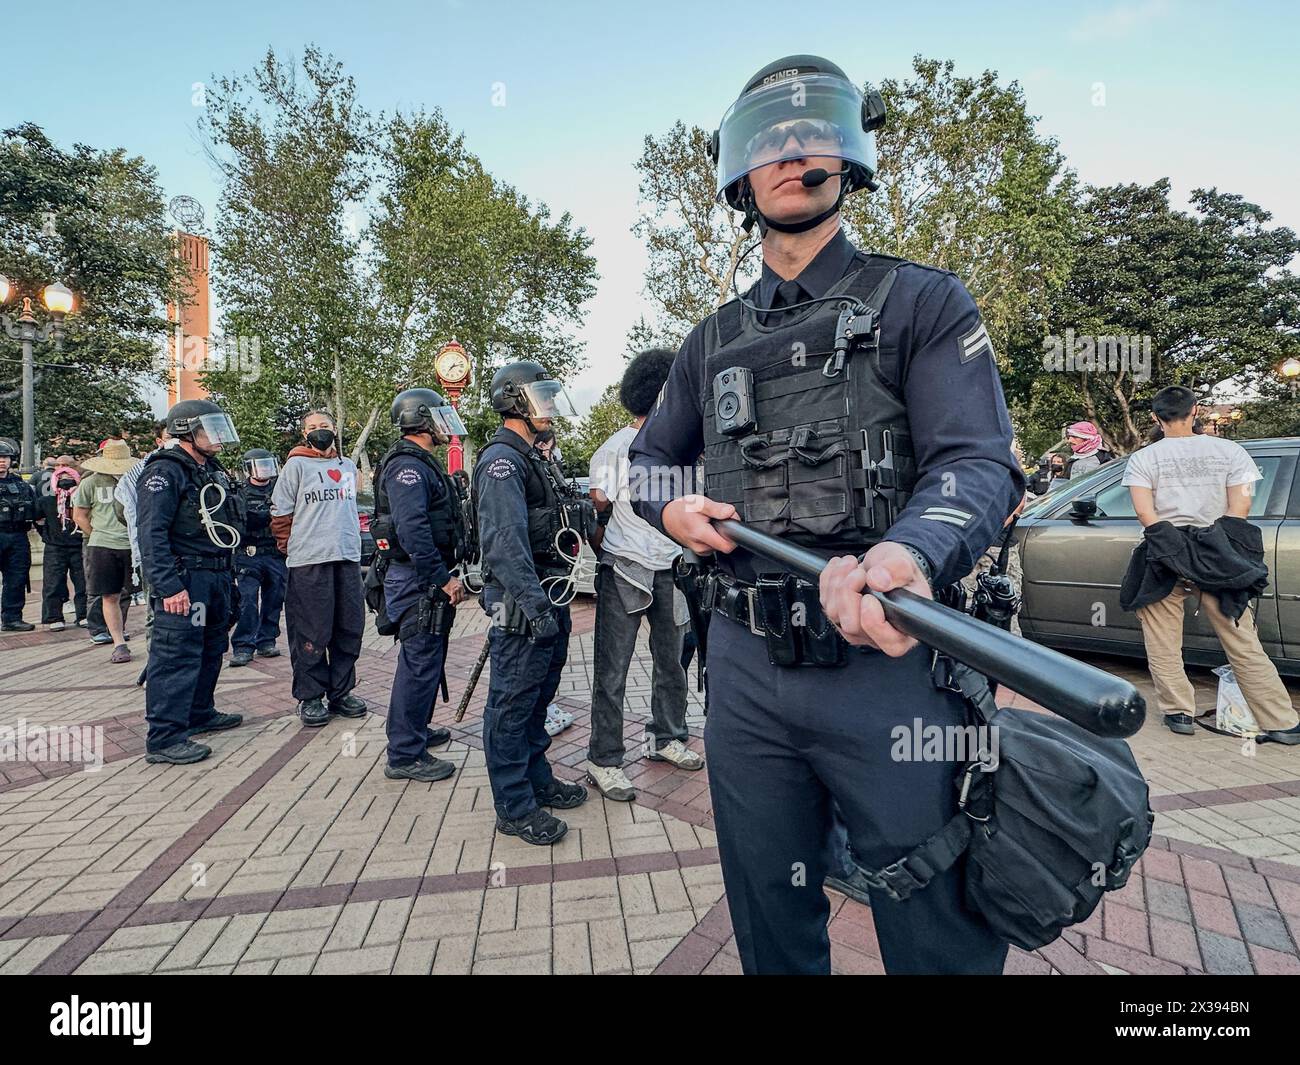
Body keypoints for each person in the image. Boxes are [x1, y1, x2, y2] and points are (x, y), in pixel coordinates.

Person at [628, 55, 1024, 975]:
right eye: (768, 141)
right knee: (769, 919)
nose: (791, 155)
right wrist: (671, 509)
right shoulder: (709, 340)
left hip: (890, 664)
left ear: (846, 157)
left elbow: (977, 459)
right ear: (740, 171)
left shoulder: (922, 301)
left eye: (811, 137)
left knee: (939, 929)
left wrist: (911, 551)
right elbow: (645, 463)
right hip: (742, 670)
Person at [1122, 385, 1300, 744]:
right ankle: (1280, 720)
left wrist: (1175, 548)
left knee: (1163, 639)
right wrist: (1214, 545)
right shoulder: (1230, 451)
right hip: (1217, 552)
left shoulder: (1144, 459)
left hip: (1165, 553)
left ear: (1155, 418)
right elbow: (1242, 508)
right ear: (1196, 411)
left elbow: (1146, 514)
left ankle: (1179, 713)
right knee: (1240, 637)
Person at [474, 361, 590, 846]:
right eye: (537, 398)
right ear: (513, 402)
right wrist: (536, 606)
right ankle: (515, 806)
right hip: (523, 603)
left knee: (539, 699)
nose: (548, 409)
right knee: (512, 704)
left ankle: (538, 780)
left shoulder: (533, 456)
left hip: (547, 595)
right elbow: (504, 543)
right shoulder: (502, 460)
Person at [585, 349, 703, 802]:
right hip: (625, 568)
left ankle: (666, 738)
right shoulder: (616, 446)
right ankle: (604, 758)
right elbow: (598, 498)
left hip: (670, 568)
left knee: (671, 661)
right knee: (612, 669)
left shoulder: (682, 446)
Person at [136, 399, 246, 764]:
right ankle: (165, 737)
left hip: (215, 572)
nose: (216, 437)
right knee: (176, 654)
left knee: (212, 647)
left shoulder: (211, 469)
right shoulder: (165, 471)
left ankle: (200, 712)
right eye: (208, 429)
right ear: (187, 431)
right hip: (186, 576)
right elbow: (151, 535)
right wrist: (169, 586)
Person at [374, 388, 469, 781]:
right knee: (419, 662)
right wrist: (442, 579)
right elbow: (413, 532)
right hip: (416, 580)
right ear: (422, 420)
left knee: (427, 661)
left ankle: (416, 731)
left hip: (422, 578)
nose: (445, 424)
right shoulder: (407, 467)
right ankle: (404, 754)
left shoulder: (419, 462)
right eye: (439, 417)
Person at [271, 410, 367, 727]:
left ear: (334, 429)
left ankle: (341, 693)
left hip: (346, 556)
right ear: (304, 434)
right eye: (312, 427)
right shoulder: (296, 466)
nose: (319, 431)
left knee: (348, 626)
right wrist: (290, 546)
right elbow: (281, 514)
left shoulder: (348, 467)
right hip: (309, 561)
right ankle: (310, 697)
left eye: (324, 425)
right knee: (312, 631)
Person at [73, 439, 137, 662]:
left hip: (133, 544)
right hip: (102, 545)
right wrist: (96, 533)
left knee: (134, 594)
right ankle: (118, 642)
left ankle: (127, 632)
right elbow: (79, 514)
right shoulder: (90, 482)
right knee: (108, 594)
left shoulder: (135, 480)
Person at [531, 428, 577, 737]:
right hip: (535, 582)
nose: (551, 453)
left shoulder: (549, 470)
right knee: (529, 666)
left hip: (557, 577)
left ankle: (543, 710)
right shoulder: (513, 463)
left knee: (554, 657)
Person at [229, 448, 288, 666]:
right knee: (248, 601)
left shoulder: (280, 489)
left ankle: (267, 640)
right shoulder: (239, 492)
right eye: (259, 465)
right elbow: (242, 520)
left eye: (266, 465)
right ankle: (243, 645)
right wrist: (268, 515)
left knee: (274, 600)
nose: (263, 470)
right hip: (248, 553)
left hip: (274, 552)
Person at [34, 461, 87, 630]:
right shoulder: (46, 501)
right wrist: (48, 536)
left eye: (69, 477)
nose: (65, 481)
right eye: (61, 477)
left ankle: (84, 614)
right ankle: (53, 617)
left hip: (79, 545)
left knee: (83, 582)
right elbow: (38, 520)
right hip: (55, 547)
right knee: (53, 582)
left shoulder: (81, 498)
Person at [0, 438, 37, 631]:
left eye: (5, 457)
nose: (2, 461)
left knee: (16, 578)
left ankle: (12, 618)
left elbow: (35, 510)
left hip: (17, 536)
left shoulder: (21, 484)